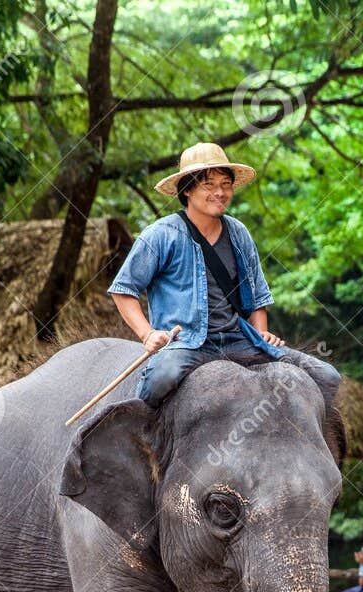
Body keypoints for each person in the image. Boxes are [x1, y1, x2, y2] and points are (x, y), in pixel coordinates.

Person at [107, 142, 341, 406]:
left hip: (238, 341)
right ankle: (141, 432)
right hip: (187, 344)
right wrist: (148, 334)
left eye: (226, 184)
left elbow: (258, 297)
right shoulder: (160, 234)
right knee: (163, 376)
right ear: (187, 190)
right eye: (209, 185)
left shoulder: (239, 232)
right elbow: (123, 290)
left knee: (326, 376)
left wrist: (261, 333)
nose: (220, 192)